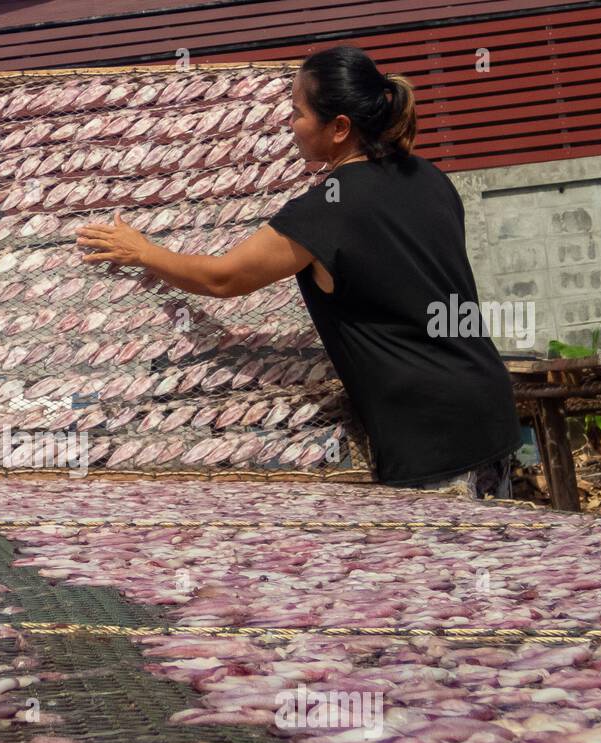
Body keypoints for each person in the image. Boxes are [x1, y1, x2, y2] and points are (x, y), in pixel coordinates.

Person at [74, 46, 522, 499]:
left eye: (297, 113)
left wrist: (144, 252)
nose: (290, 126)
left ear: (339, 128)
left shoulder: (326, 211)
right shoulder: (428, 177)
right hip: (488, 405)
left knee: (443, 564)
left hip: (430, 433)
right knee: (492, 560)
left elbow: (223, 279)